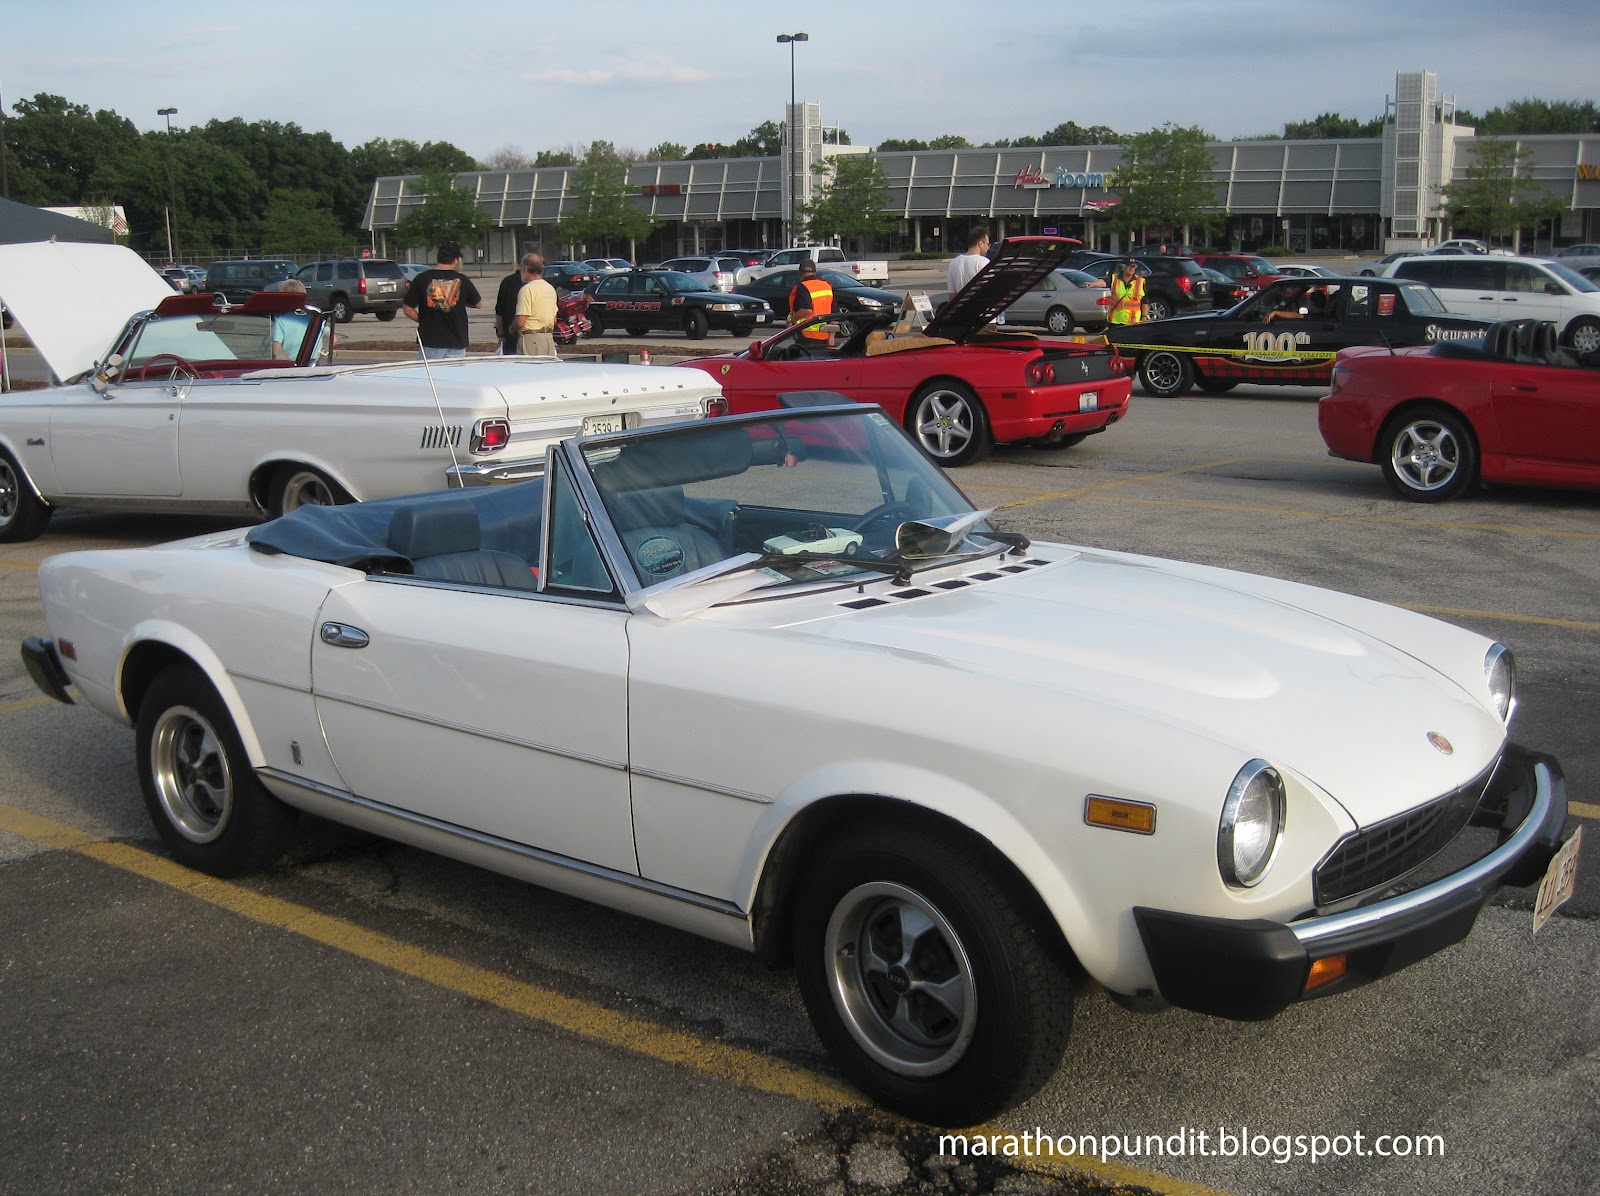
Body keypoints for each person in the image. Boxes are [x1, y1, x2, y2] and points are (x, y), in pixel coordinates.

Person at [403, 239, 482, 359]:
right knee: (452, 377)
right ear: (455, 260)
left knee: (430, 376)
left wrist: (423, 320)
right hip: (457, 340)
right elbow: (478, 303)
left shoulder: (421, 279)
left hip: (430, 340)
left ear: (438, 257)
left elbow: (408, 309)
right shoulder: (462, 280)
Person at [515, 257, 559, 357]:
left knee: (530, 370)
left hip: (531, 338)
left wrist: (512, 329)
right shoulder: (550, 288)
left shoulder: (527, 289)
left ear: (526, 269)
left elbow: (520, 321)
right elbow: (554, 319)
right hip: (548, 337)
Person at [787, 260, 834, 346]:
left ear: (800, 273)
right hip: (825, 336)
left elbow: (806, 309)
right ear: (815, 272)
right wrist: (831, 337)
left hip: (806, 336)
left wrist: (791, 321)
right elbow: (835, 314)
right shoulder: (827, 286)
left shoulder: (802, 286)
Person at [495, 255, 536, 354]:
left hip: (511, 336)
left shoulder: (507, 282)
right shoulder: (536, 286)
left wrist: (501, 334)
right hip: (525, 335)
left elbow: (499, 312)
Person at [264, 278, 312, 360]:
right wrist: (321, 353)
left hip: (291, 365)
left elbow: (276, 352)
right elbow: (334, 339)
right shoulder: (313, 318)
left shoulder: (281, 321)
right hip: (312, 364)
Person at [947, 226, 991, 295]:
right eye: (987, 244)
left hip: (961, 305)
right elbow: (990, 290)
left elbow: (952, 296)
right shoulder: (983, 262)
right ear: (980, 243)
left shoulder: (954, 263)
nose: (988, 247)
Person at [1107, 258, 1146, 325]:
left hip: (1132, 321)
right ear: (1123, 267)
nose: (1132, 269)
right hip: (1115, 320)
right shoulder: (1114, 278)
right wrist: (1093, 284)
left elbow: (1145, 301)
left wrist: (1144, 316)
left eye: (1133, 267)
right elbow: (1105, 282)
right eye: (1129, 266)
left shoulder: (1140, 281)